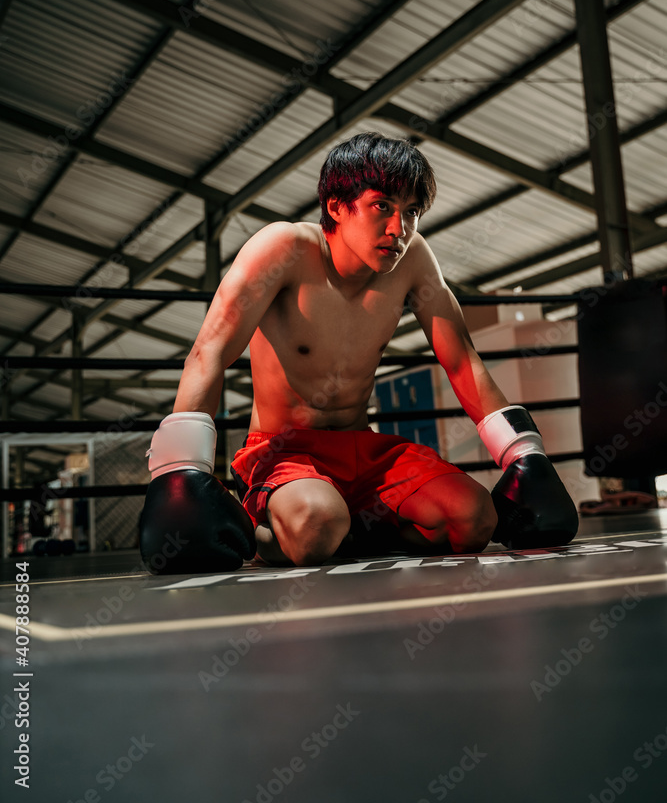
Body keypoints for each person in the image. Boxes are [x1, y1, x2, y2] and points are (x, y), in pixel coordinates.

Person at [139, 133, 578, 574]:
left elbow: (461, 360)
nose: (399, 229)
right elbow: (209, 350)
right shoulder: (283, 249)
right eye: (382, 206)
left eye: (411, 212)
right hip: (285, 451)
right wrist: (180, 469)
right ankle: (266, 523)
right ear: (336, 206)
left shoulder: (413, 260)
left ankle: (348, 528)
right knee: (315, 526)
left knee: (475, 519)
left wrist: (522, 452)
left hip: (365, 451)